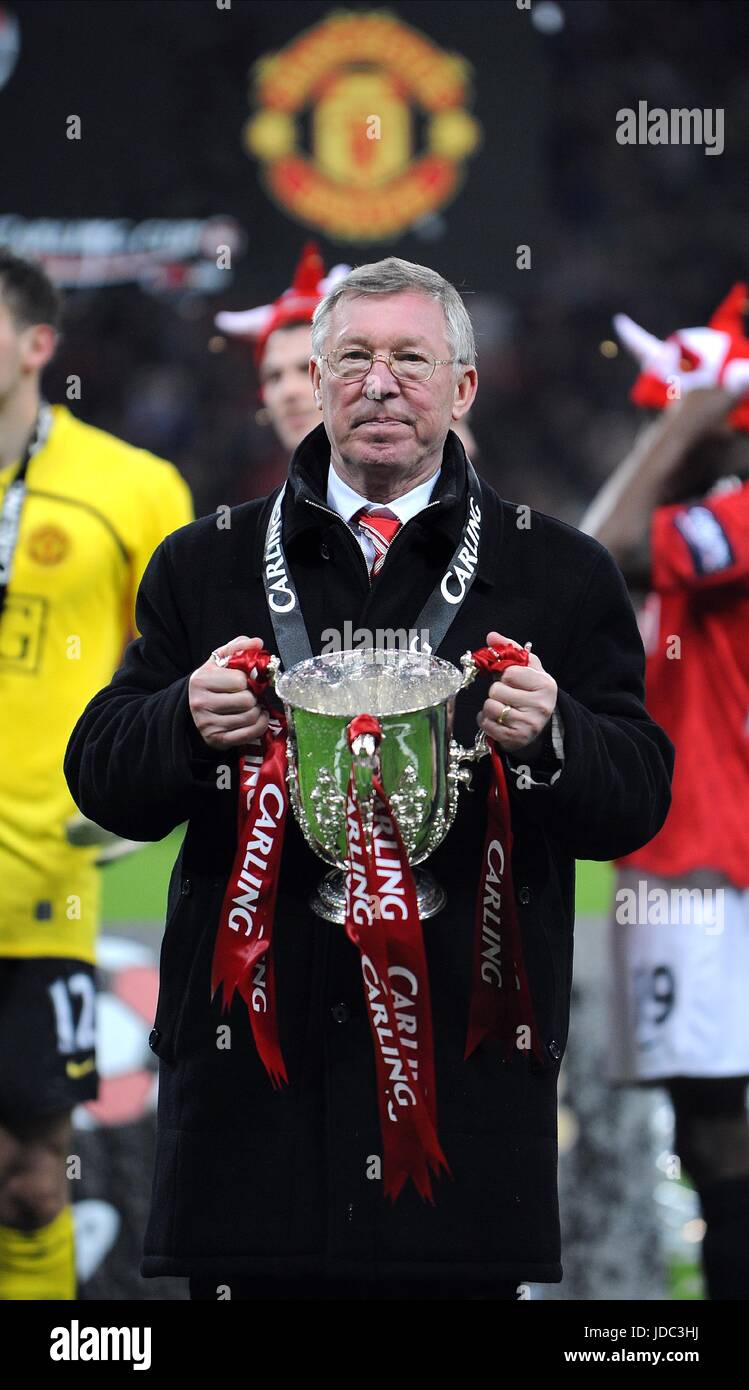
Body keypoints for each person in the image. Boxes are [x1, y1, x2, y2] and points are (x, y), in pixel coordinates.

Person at [64, 256, 673, 1301]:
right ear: (313, 372)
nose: (377, 383)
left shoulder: (558, 571)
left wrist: (555, 735)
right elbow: (102, 774)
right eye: (349, 357)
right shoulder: (202, 564)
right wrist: (179, 720)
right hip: (253, 1089)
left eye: (408, 358)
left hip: (462, 1087)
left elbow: (635, 796)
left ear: (462, 387)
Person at [0, 249, 193, 1299]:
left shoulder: (131, 486)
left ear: (38, 346)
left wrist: (141, 795)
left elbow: (191, 667)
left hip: (42, 888)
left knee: (31, 1180)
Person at [581, 284, 749, 1300]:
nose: (647, 426)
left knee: (719, 1123)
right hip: (676, 861)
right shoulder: (698, 525)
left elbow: (601, 551)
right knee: (700, 1126)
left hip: (710, 864)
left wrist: (689, 417)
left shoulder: (730, 515)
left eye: (661, 410)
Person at [215, 241, 351, 455]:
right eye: (274, 376)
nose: (288, 392)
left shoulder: (413, 485)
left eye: (309, 370)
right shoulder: (274, 489)